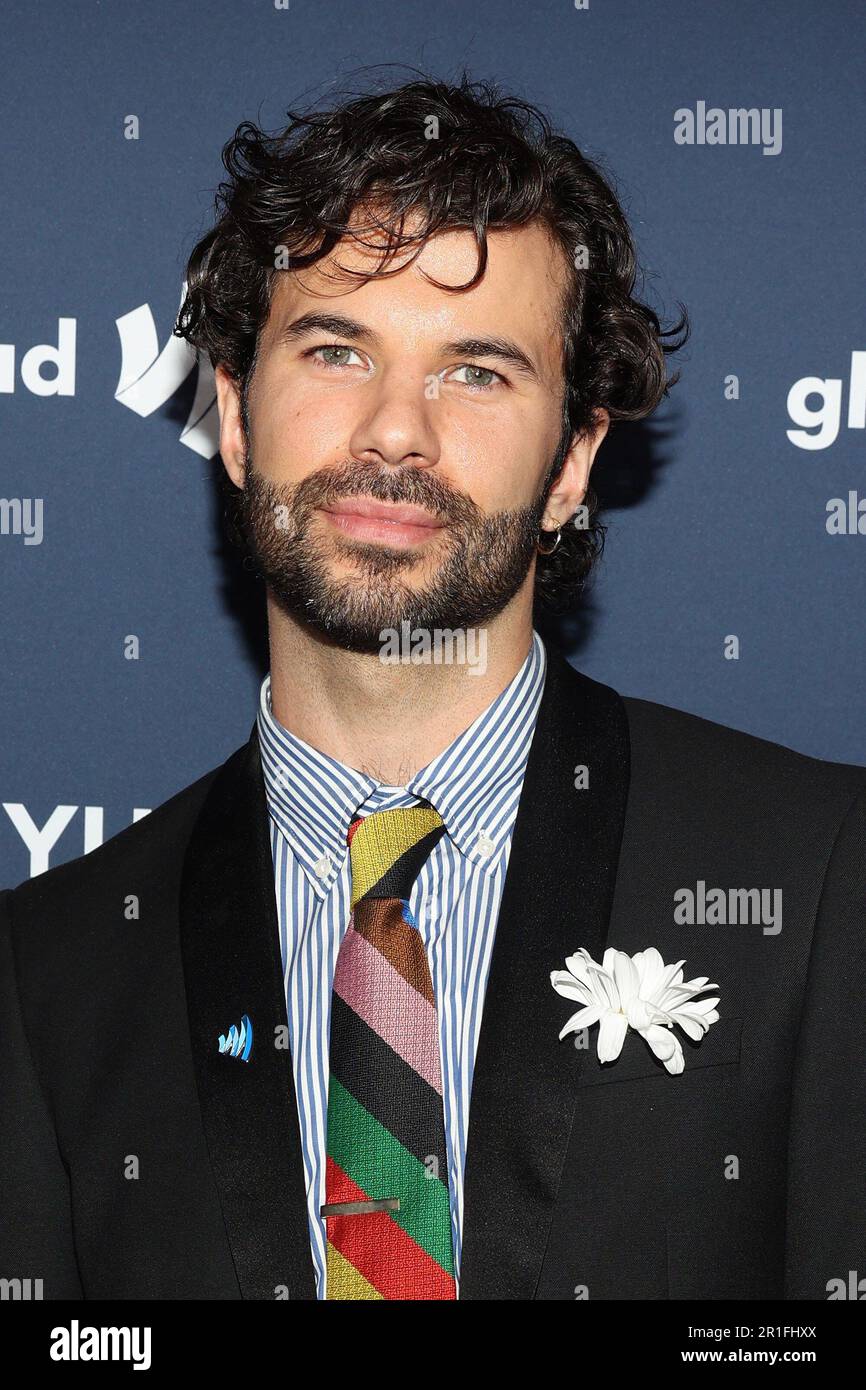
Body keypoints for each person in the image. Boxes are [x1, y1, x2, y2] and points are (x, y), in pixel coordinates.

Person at [2, 75, 864, 1302]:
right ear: (235, 417)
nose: (394, 430)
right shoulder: (48, 971)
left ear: (571, 462)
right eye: (337, 349)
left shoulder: (818, 876)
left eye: (475, 371)